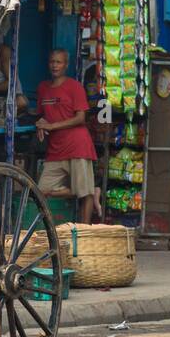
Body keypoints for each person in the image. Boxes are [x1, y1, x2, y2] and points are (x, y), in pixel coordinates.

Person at [35, 48, 99, 224]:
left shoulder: (74, 87)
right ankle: (92, 188)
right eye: (52, 62)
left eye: (59, 62)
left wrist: (51, 125)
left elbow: (81, 118)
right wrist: (40, 123)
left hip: (78, 145)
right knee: (41, 190)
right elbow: (42, 114)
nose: (55, 65)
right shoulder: (43, 88)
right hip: (56, 149)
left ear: (66, 65)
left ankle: (83, 231)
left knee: (84, 193)